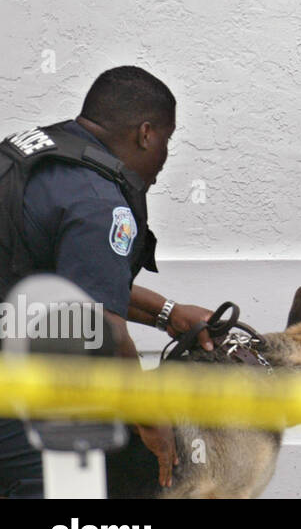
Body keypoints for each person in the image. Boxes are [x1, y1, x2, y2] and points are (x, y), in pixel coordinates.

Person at [0, 66, 214, 498]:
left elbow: (67, 280)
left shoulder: (24, 154)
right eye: (167, 141)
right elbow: (106, 329)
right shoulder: (99, 202)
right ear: (146, 133)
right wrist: (149, 422)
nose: (164, 157)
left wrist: (165, 313)